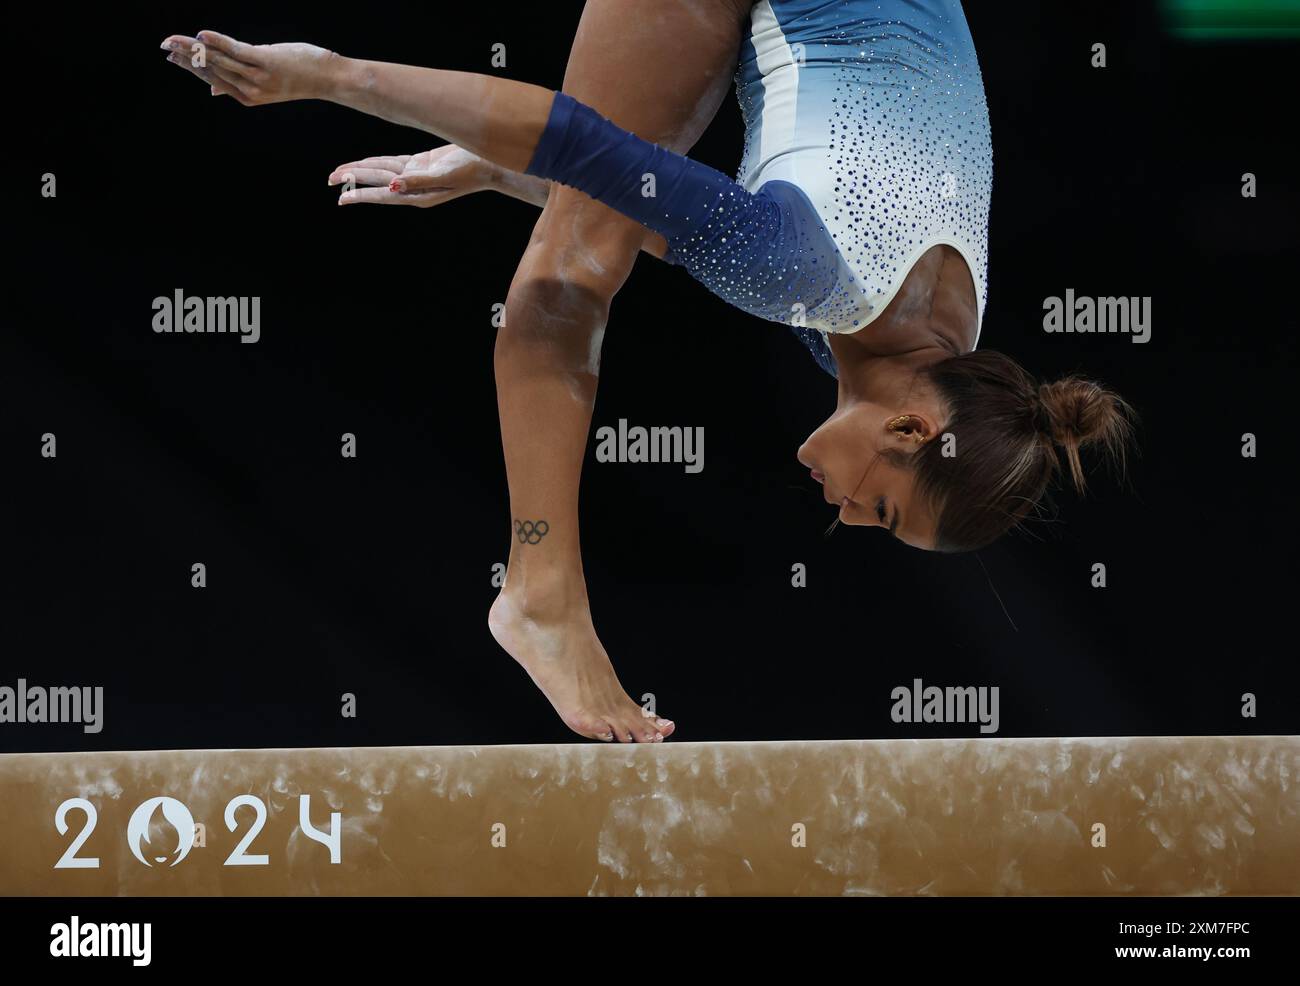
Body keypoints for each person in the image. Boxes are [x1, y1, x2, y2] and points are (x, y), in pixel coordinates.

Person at [161, 0, 1136, 744]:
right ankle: (540, 588)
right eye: (875, 508)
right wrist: (329, 77)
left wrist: (497, 171)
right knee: (571, 272)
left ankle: (543, 590)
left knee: (591, 222)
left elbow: (663, 209)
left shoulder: (945, 326)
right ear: (910, 431)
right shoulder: (813, 276)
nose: (840, 514)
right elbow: (588, 151)